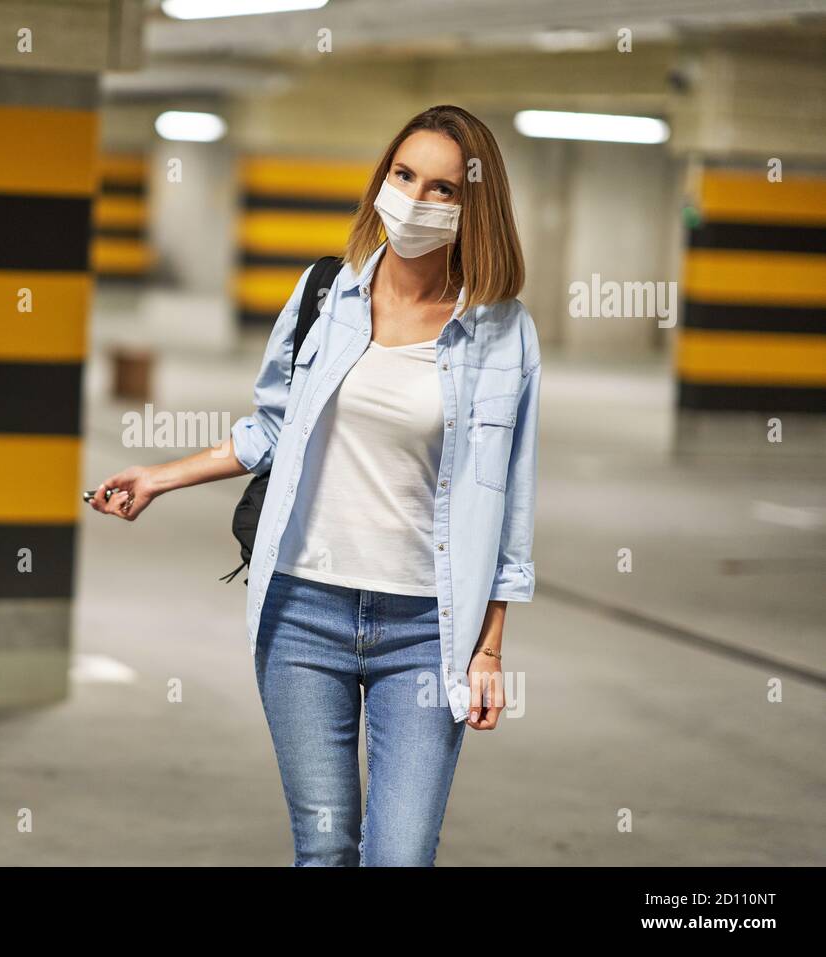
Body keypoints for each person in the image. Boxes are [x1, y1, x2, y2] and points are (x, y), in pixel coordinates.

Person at [88, 104, 541, 866]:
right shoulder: (324, 295)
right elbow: (271, 427)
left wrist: (489, 649)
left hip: (427, 632)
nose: (415, 199)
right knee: (325, 848)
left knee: (399, 855)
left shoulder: (502, 331)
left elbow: (511, 505)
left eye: (441, 188)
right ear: (380, 182)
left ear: (473, 206)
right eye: (403, 175)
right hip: (303, 611)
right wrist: (161, 476)